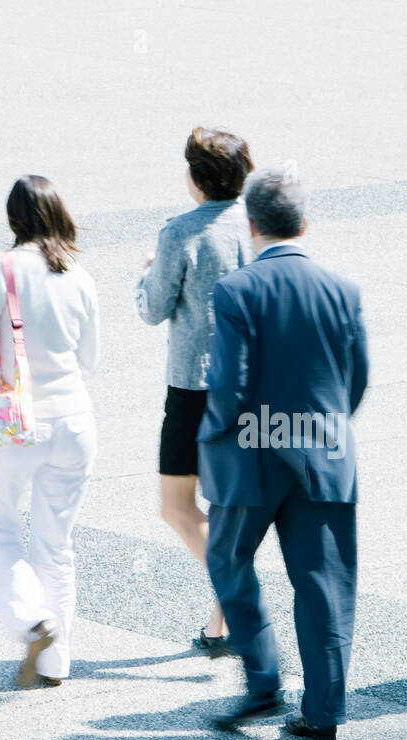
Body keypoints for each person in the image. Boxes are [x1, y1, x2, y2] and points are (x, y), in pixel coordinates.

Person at [201, 168, 369, 740]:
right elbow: (357, 380)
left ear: (250, 225)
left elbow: (228, 383)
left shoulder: (237, 290)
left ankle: (264, 676)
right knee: (324, 582)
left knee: (226, 557)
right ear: (305, 222)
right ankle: (323, 712)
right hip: (324, 450)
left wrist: (215, 435)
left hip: (251, 455)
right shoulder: (342, 290)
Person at [0, 175, 99, 689]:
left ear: (14, 218)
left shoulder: (3, 267)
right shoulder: (80, 276)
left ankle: (29, 620)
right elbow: (92, 358)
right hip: (76, 422)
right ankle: (54, 664)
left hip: (17, 423)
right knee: (56, 543)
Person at [136, 127, 254, 654]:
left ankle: (236, 592)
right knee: (226, 506)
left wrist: (144, 276)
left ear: (195, 177)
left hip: (192, 387)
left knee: (175, 505)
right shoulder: (254, 229)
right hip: (249, 386)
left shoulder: (180, 232)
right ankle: (221, 624)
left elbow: (152, 308)